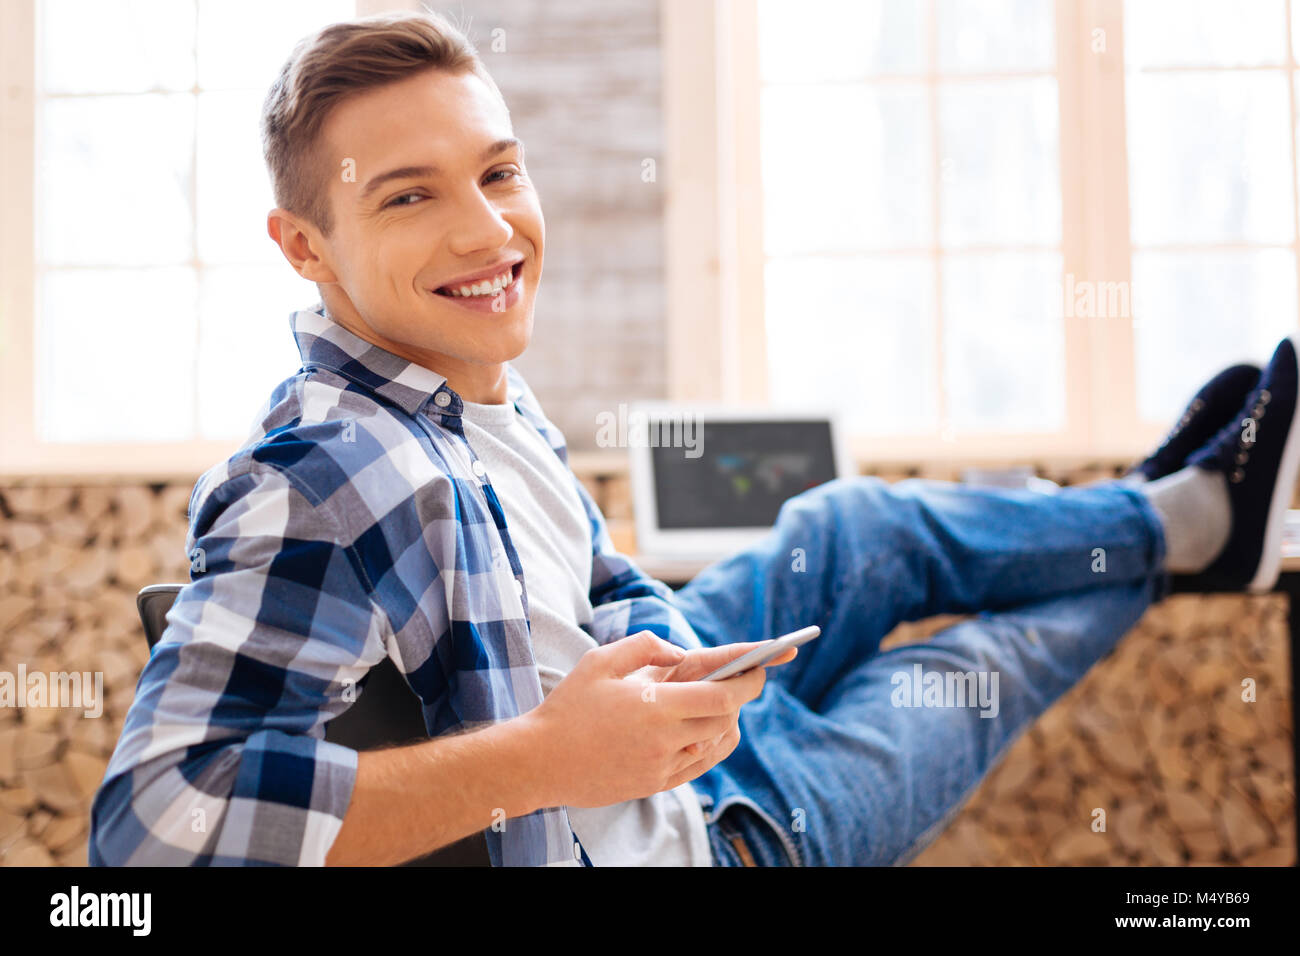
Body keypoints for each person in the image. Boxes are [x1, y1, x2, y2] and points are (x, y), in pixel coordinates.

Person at [88, 10, 1300, 867]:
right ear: (302, 245)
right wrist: (551, 756)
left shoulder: (468, 390)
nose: (487, 232)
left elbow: (598, 583)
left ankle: (1170, 512)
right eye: (409, 194)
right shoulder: (319, 471)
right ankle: (1196, 528)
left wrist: (678, 672)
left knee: (848, 522)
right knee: (966, 667)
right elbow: (153, 827)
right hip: (713, 836)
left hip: (670, 741)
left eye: (499, 173)